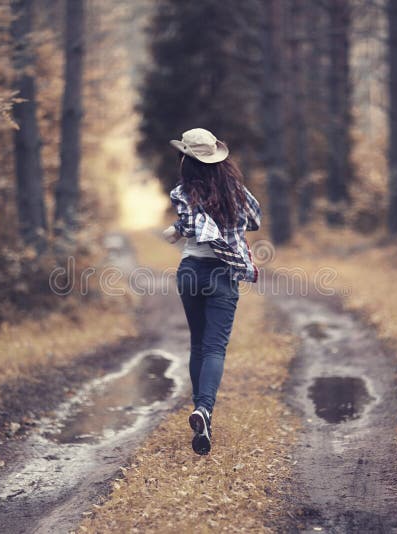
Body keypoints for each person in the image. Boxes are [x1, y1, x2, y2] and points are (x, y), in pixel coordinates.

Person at [162, 127, 262, 455]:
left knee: (198, 344)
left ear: (186, 160)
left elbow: (192, 226)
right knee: (215, 348)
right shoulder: (234, 190)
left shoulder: (183, 192)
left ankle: (199, 410)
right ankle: (204, 410)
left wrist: (177, 230)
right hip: (222, 274)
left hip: (191, 271)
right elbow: (255, 219)